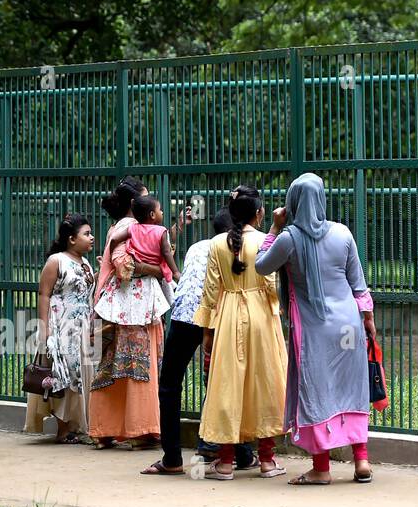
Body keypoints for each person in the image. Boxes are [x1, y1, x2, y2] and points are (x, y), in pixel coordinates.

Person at [256, 172, 376, 485]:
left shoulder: (288, 239)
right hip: (348, 325)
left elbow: (260, 266)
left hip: (312, 331)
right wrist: (369, 322)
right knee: (351, 387)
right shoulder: (342, 233)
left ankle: (321, 467)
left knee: (315, 389)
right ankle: (361, 460)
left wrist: (274, 226)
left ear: (292, 202)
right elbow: (358, 284)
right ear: (321, 199)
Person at [142, 206, 255, 475]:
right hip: (216, 317)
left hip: (183, 315)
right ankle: (240, 452)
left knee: (170, 385)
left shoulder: (197, 246)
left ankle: (172, 459)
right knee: (223, 383)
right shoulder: (241, 247)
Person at [194, 187, 288, 480]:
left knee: (227, 385)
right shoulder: (266, 240)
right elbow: (273, 285)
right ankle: (267, 461)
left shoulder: (217, 244)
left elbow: (211, 290)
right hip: (261, 316)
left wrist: (207, 331)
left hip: (229, 316)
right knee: (266, 382)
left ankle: (224, 463)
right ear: (259, 214)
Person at [88, 178, 188, 450]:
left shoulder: (125, 227)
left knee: (114, 368)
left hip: (123, 308)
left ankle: (105, 429)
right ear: (137, 205)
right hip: (133, 309)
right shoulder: (130, 227)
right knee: (138, 366)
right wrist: (160, 270)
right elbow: (124, 266)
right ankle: (141, 430)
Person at [24, 215, 96, 443]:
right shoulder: (56, 261)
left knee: (80, 376)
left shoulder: (85, 263)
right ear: (72, 239)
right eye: (87, 233)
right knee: (63, 375)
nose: (92, 237)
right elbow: (44, 294)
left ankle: (76, 426)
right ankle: (63, 429)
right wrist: (45, 331)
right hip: (60, 326)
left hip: (82, 326)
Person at [95, 195, 176, 326]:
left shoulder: (131, 228)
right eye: (159, 209)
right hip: (147, 285)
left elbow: (115, 240)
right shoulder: (161, 231)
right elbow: (166, 253)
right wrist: (175, 271)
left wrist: (109, 255)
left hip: (130, 284)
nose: (162, 212)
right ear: (152, 214)